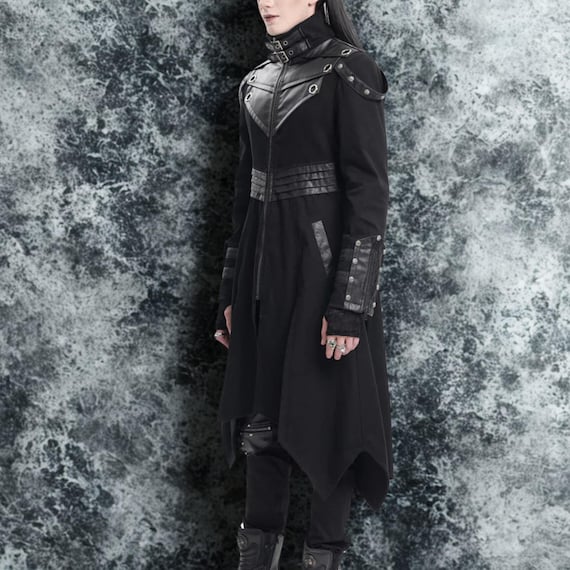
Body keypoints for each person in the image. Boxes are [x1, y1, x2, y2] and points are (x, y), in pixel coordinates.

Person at [213, 0, 393, 568]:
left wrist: (349, 306)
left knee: (328, 432)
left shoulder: (350, 70)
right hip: (262, 282)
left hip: (322, 283)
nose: (267, 1)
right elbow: (244, 201)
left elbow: (369, 196)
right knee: (261, 433)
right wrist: (230, 296)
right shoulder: (256, 82)